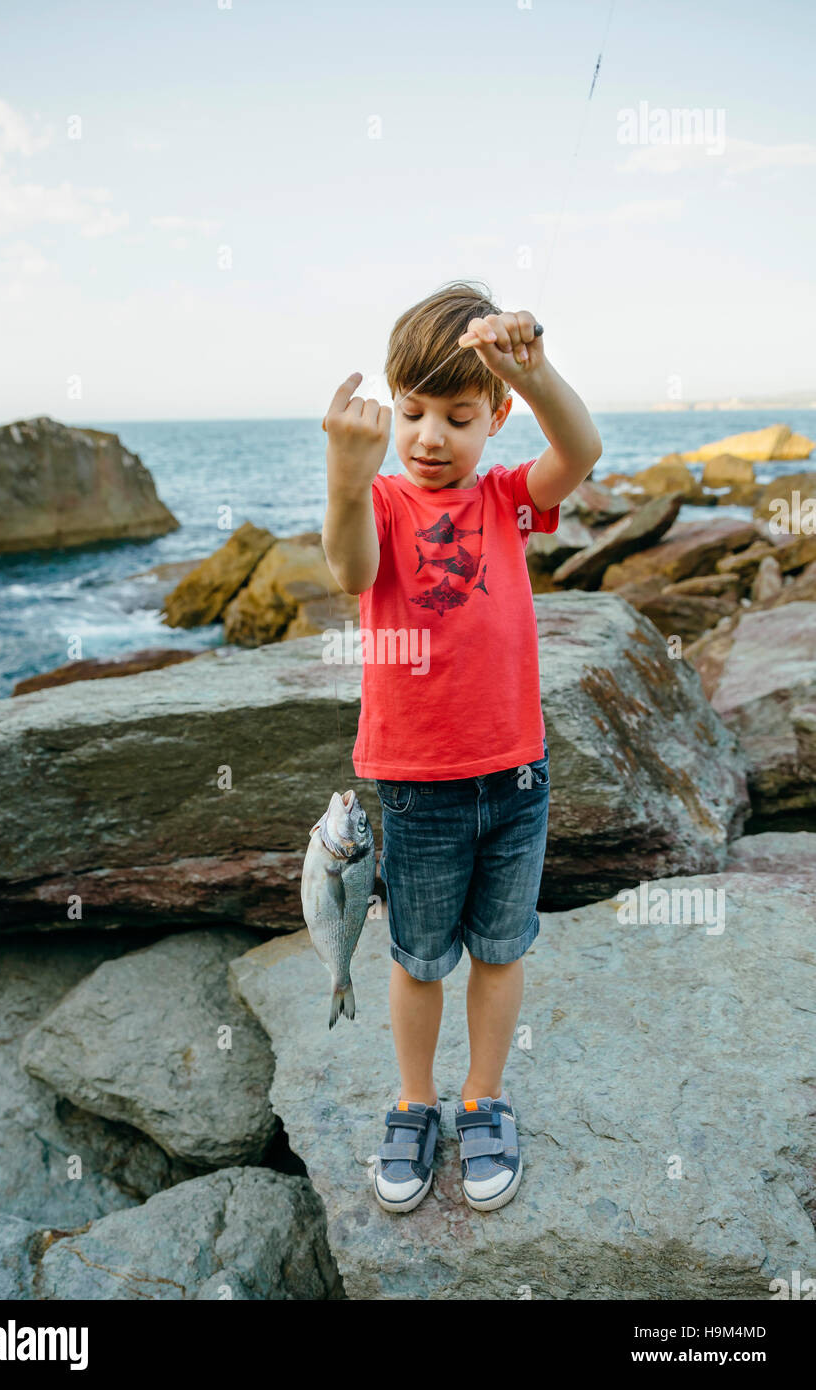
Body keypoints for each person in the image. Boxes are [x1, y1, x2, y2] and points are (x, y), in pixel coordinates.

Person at [321, 280, 602, 1213]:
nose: (430, 435)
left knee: (500, 948)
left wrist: (535, 366)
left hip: (517, 777)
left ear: (496, 417)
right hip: (415, 787)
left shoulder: (509, 501)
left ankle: (483, 1099)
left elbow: (582, 450)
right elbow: (351, 568)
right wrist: (348, 476)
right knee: (415, 958)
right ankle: (414, 1102)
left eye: (457, 414)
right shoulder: (390, 506)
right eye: (411, 413)